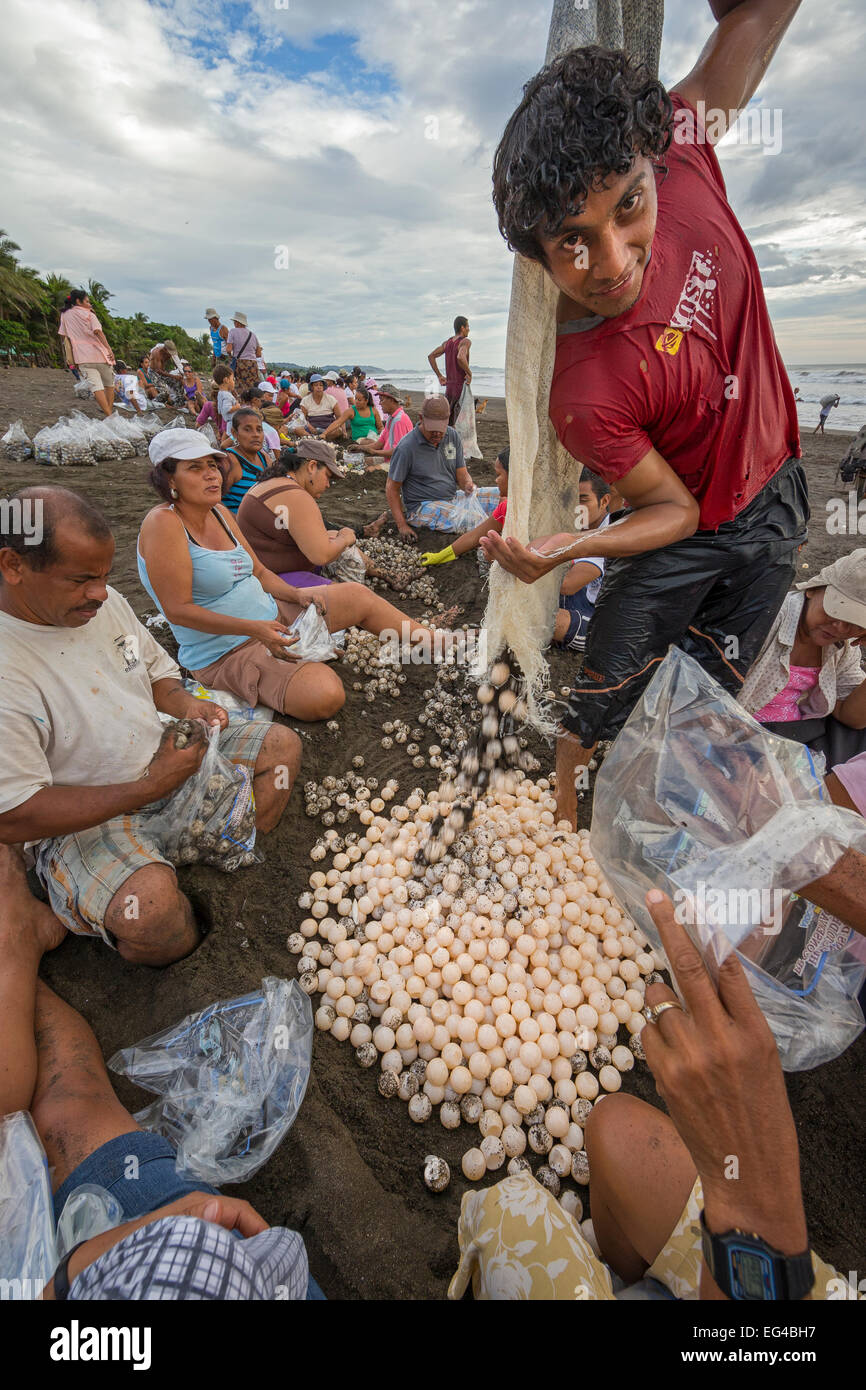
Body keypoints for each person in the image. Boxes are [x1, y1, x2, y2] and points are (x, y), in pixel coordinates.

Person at [483, 5, 807, 827]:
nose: (613, 262)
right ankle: (563, 823)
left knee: (707, 694)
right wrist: (577, 543)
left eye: (628, 205)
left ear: (651, 167)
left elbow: (760, 23)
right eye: (573, 242)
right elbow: (673, 510)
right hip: (687, 527)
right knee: (604, 681)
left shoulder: (682, 150)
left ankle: (659, 814)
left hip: (777, 497)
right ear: (538, 254)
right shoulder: (586, 392)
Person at [450, 888, 855, 1301]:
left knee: (509, 1211)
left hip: (764, 1253)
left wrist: (749, 1200)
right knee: (615, 1125)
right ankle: (648, 1276)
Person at [0, 846, 320, 1300]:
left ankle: (13, 948)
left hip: (166, 1269)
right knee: (71, 1103)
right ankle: (15, 950)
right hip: (220, 1275)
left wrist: (81, 1269)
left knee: (66, 1108)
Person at [0, 485, 299, 965]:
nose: (99, 593)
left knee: (281, 748)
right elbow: (15, 815)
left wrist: (185, 706)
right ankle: (151, 889)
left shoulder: (106, 604)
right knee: (152, 916)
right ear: (13, 566)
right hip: (83, 819)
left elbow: (154, 670)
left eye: (103, 576)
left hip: (163, 760)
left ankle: (205, 862)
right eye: (80, 580)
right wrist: (147, 787)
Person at [138, 431, 455, 723]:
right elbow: (177, 610)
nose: (211, 474)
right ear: (169, 478)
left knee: (357, 596)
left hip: (271, 616)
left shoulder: (220, 513)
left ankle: (435, 644)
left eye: (211, 464)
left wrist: (296, 596)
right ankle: (281, 670)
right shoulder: (164, 524)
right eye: (195, 468)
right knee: (325, 695)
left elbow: (259, 571)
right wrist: (254, 629)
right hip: (228, 649)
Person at [741, 552, 866, 768]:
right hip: (737, 733)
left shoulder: (843, 650)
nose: (841, 628)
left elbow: (852, 718)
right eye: (836, 612)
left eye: (855, 623)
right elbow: (710, 690)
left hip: (790, 738)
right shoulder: (765, 618)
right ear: (812, 590)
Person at [367, 395, 483, 541]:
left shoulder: (452, 436)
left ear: (448, 420)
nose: (437, 434)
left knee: (502, 501)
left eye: (440, 429)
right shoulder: (406, 447)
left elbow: (462, 473)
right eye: (432, 429)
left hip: (452, 497)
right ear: (421, 418)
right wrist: (402, 525)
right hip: (422, 507)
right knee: (476, 521)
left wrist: (467, 484)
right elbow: (392, 488)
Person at [422, 446, 510, 565]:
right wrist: (441, 556)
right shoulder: (505, 507)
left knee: (486, 554)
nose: (496, 480)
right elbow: (474, 536)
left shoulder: (517, 508)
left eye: (499, 475)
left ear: (513, 476)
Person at [57, 290, 116, 418]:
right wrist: (109, 349)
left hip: (82, 356)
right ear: (78, 301)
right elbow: (98, 332)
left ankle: (108, 414)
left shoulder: (65, 315)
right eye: (87, 301)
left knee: (96, 387)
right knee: (109, 384)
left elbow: (63, 335)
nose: (90, 304)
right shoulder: (90, 314)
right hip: (100, 354)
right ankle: (109, 413)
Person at [219, 408, 270, 511]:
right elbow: (214, 500)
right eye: (247, 429)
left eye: (259, 430)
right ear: (234, 433)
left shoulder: (264, 458)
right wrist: (234, 522)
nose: (256, 434)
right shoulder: (230, 461)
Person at [353, 384, 415, 467]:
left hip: (399, 464)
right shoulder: (391, 418)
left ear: (392, 400)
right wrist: (360, 447)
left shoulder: (399, 420)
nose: (379, 403)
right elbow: (380, 443)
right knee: (362, 462)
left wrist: (375, 452)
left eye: (381, 400)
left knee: (369, 469)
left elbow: (397, 452)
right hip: (389, 458)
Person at [428, 316, 472, 424]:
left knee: (449, 422)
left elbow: (431, 356)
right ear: (462, 328)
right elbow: (460, 357)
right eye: (467, 326)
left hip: (449, 389)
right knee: (460, 424)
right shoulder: (465, 341)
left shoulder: (447, 343)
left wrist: (439, 376)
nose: (469, 329)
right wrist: (469, 373)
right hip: (460, 388)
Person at [226, 312, 260, 395]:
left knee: (241, 387)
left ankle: (242, 405)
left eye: (234, 321)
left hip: (241, 363)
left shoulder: (233, 331)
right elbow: (259, 354)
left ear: (237, 322)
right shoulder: (253, 335)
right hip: (253, 364)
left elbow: (228, 349)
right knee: (253, 388)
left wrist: (231, 356)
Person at [212, 361, 242, 436]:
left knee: (229, 436)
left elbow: (220, 410)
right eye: (233, 379)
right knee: (233, 438)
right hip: (232, 422)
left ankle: (225, 445)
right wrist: (237, 407)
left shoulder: (220, 393)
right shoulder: (227, 395)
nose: (234, 382)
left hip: (227, 421)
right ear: (226, 380)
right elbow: (226, 409)